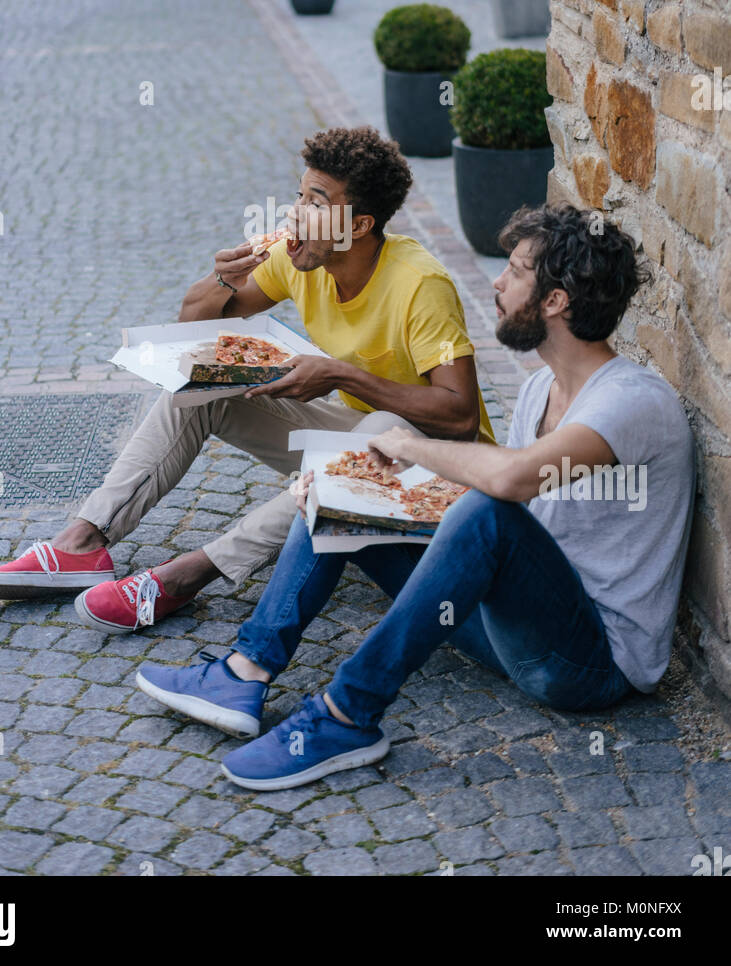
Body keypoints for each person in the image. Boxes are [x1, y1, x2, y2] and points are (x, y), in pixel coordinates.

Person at [134, 204, 696, 791]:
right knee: (341, 483)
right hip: (513, 630)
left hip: (588, 663)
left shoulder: (631, 402)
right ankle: (245, 670)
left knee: (484, 505)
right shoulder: (538, 391)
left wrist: (411, 447)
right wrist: (350, 485)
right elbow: (505, 520)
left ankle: (347, 714)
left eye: (515, 273)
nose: (496, 283)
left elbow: (507, 486)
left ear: (556, 302)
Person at [0, 126, 495, 627]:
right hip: (351, 455)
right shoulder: (299, 259)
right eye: (299, 196)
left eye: (317, 201)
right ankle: (81, 543)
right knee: (200, 392)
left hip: (443, 481)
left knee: (381, 426)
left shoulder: (421, 283)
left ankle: (188, 574)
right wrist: (221, 279)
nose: (297, 213)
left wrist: (343, 376)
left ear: (359, 224)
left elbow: (460, 417)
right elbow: (192, 332)